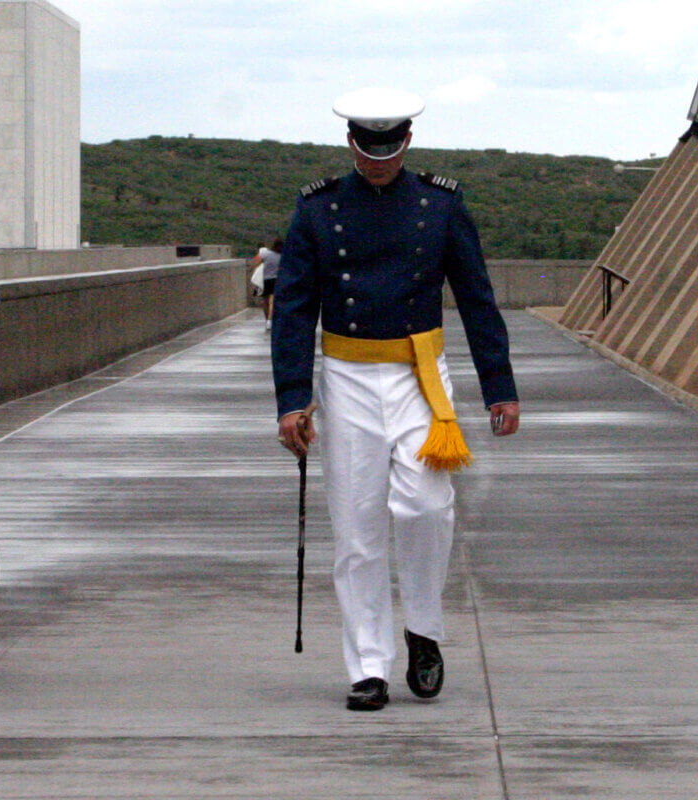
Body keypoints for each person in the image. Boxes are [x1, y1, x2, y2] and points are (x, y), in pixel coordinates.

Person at [271, 88, 520, 712]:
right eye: (366, 144)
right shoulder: (318, 210)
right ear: (350, 141)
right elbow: (295, 312)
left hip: (419, 375)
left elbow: (476, 296)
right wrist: (292, 399)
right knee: (357, 529)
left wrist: (500, 386)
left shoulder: (440, 206)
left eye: (389, 144)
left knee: (425, 506)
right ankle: (369, 665)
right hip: (348, 378)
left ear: (407, 140)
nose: (378, 156)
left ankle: (424, 630)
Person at [260, 237, 283, 330]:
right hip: (278, 280)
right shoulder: (283, 255)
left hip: (267, 280)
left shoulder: (266, 254)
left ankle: (267, 320)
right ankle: (273, 319)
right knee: (275, 301)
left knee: (266, 301)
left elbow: (258, 261)